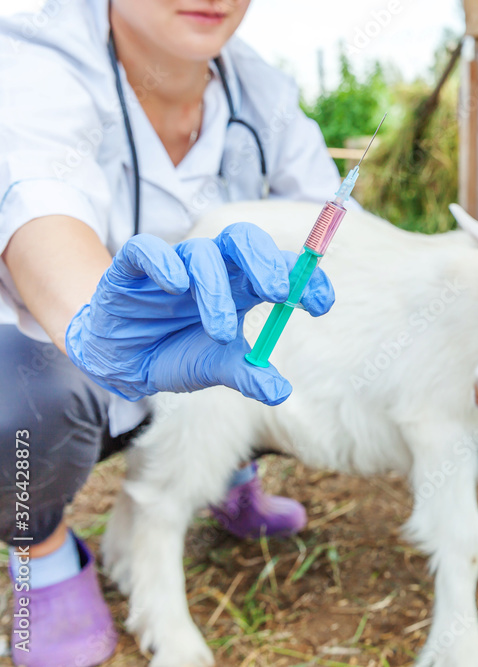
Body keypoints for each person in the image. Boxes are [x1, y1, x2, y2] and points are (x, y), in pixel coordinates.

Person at [0, 1, 343, 665]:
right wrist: (98, 321)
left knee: (293, 332)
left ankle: (225, 475)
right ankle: (41, 547)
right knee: (18, 402)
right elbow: (38, 194)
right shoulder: (36, 48)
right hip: (66, 371)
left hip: (203, 380)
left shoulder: (263, 94)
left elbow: (343, 242)